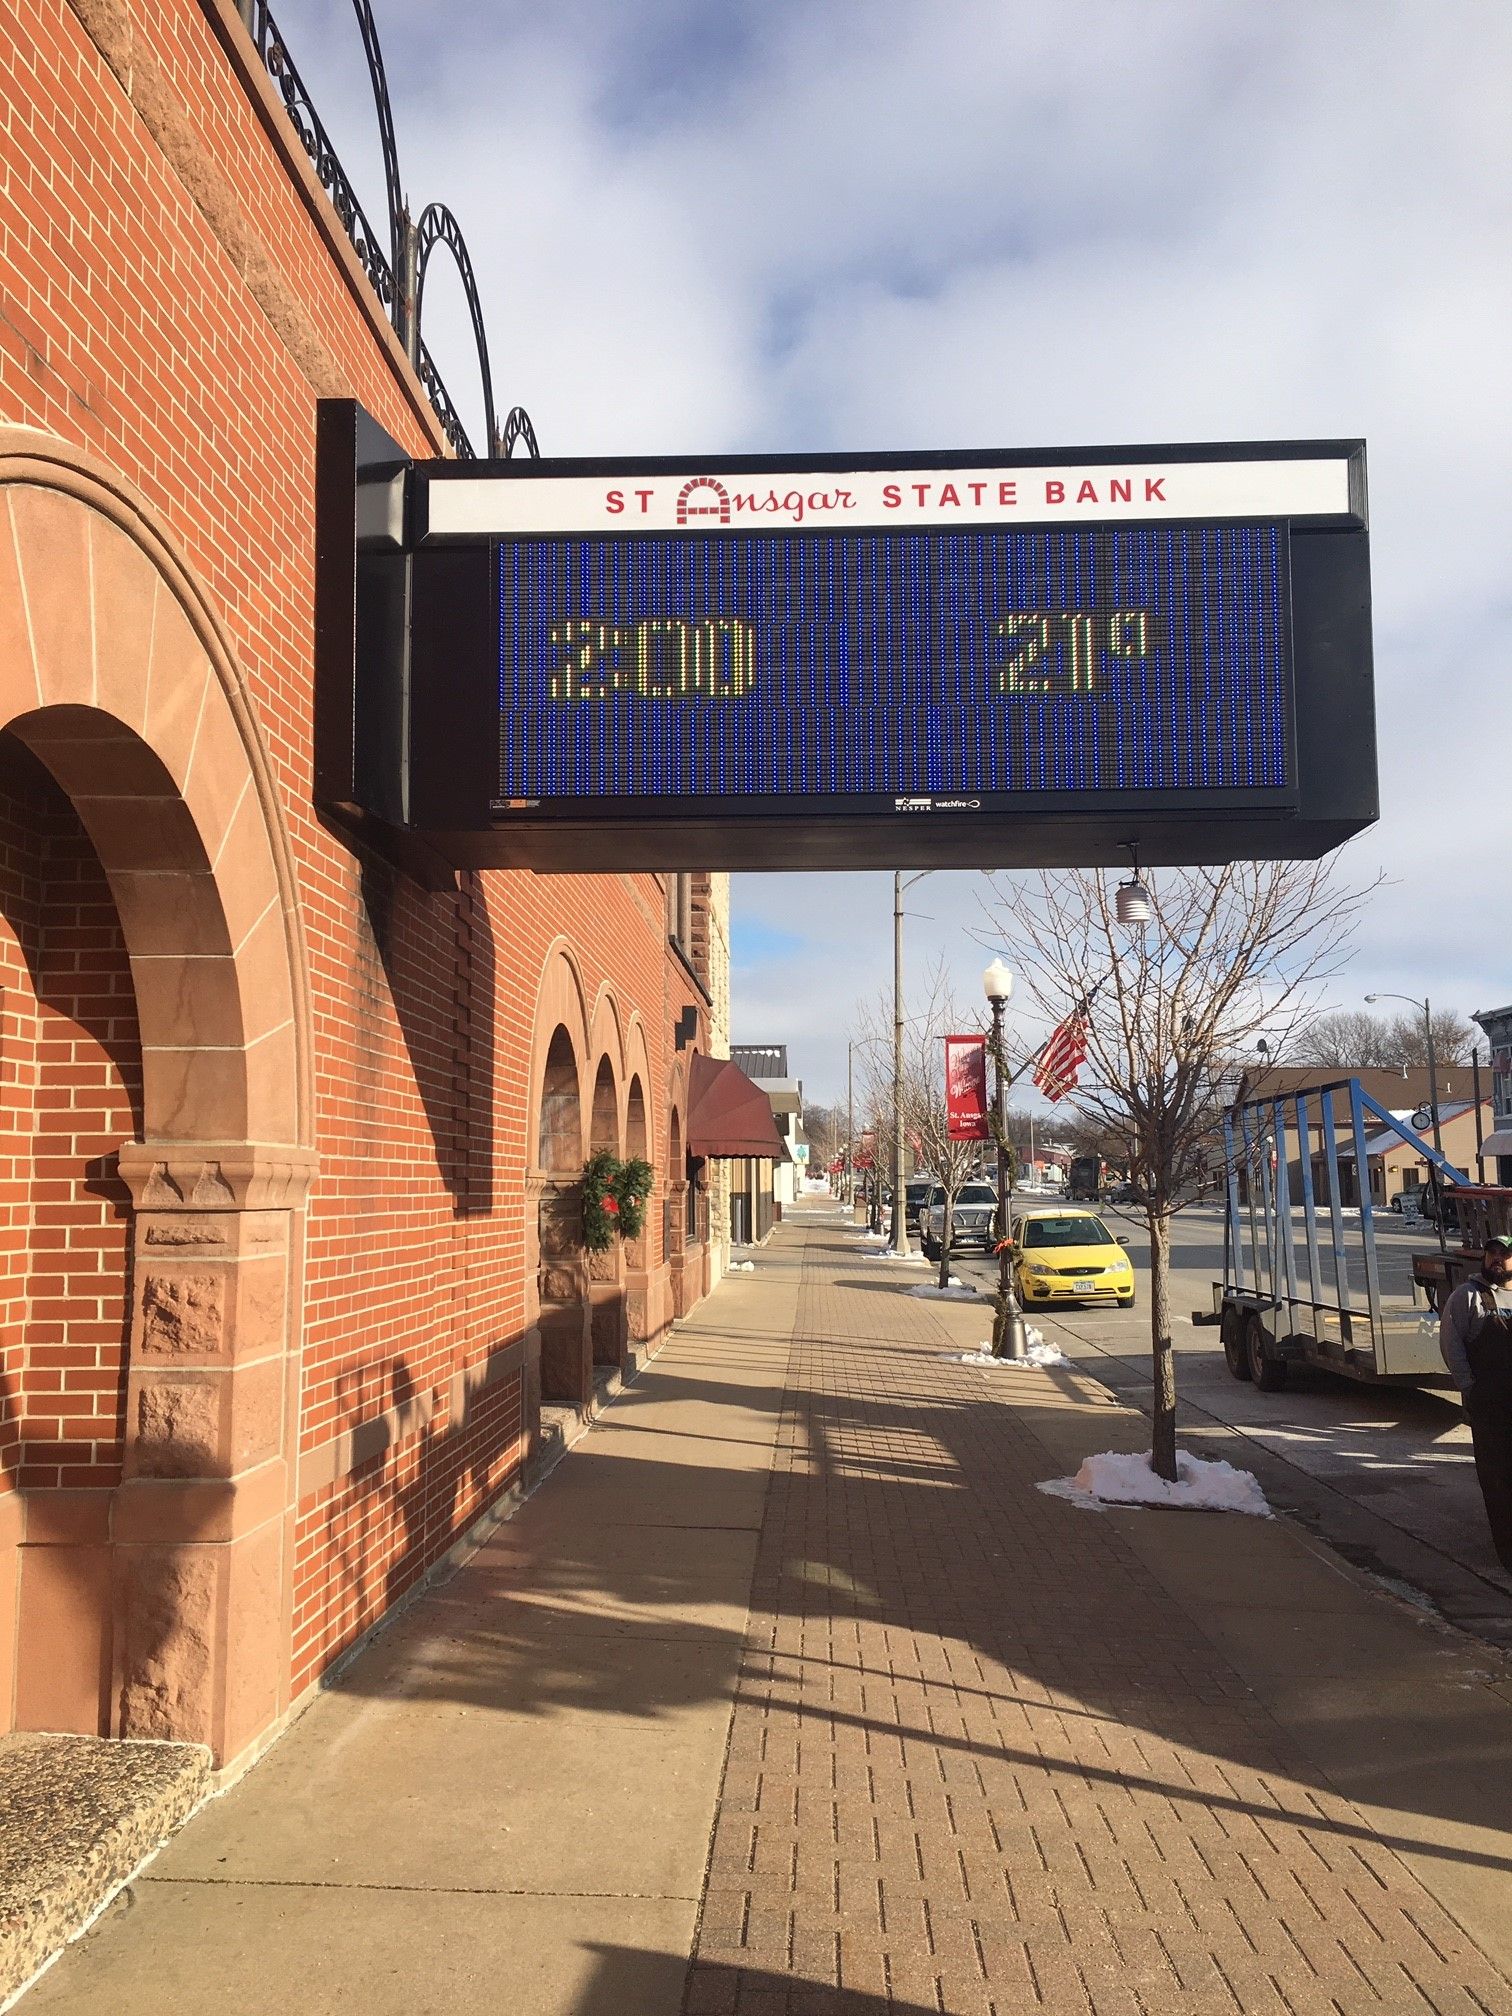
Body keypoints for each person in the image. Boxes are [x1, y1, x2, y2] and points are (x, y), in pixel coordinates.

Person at [1439, 1235, 1512, 1574]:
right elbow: (1452, 1347)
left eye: (1505, 1254)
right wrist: (1470, 1389)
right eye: (1492, 1254)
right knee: (1498, 1479)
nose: (1497, 1259)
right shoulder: (1467, 1297)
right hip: (1490, 1405)